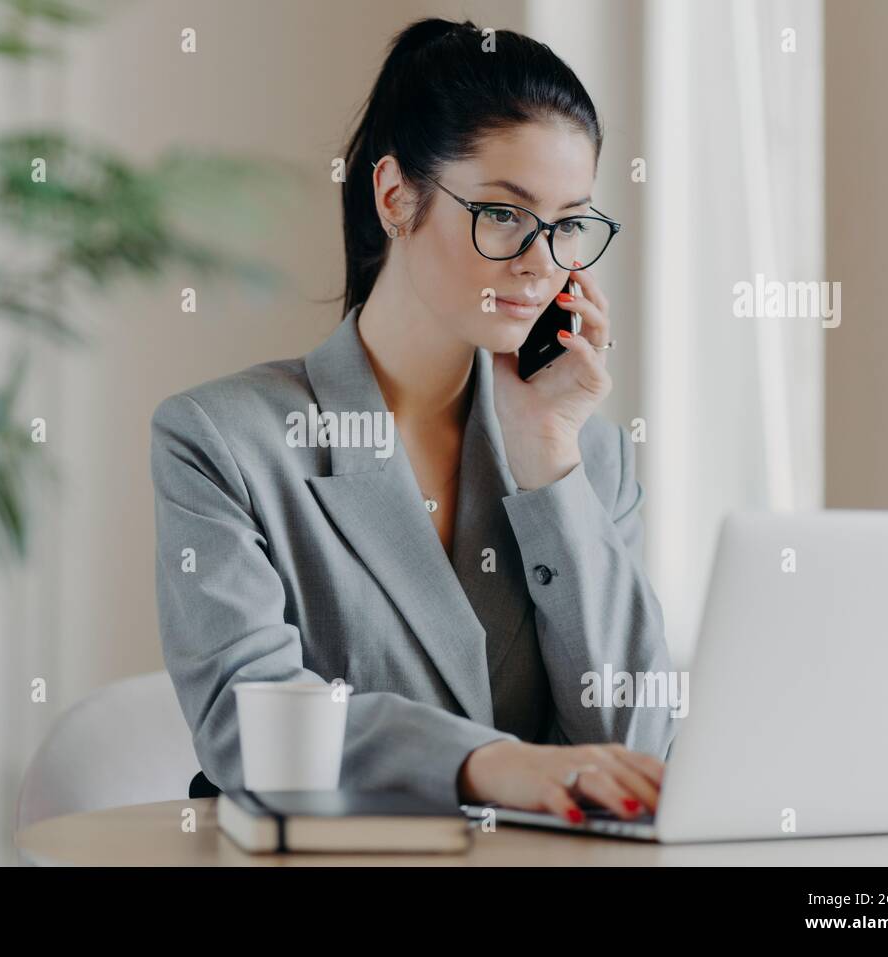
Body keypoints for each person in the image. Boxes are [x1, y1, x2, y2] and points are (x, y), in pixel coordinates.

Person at [151, 17, 675, 824]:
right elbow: (247, 722)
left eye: (570, 223)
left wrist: (547, 455)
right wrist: (489, 764)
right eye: (504, 213)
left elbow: (632, 748)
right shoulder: (223, 440)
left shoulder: (589, 458)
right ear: (396, 197)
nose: (544, 261)